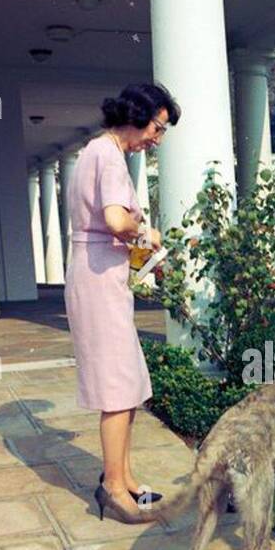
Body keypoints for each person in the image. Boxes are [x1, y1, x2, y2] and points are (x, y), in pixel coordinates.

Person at [64, 81, 180, 522]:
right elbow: (115, 220)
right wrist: (144, 232)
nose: (157, 137)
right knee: (116, 387)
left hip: (101, 276)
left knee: (126, 383)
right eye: (157, 126)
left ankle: (125, 476)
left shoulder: (99, 152)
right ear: (135, 115)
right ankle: (113, 489)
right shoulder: (109, 155)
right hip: (98, 279)